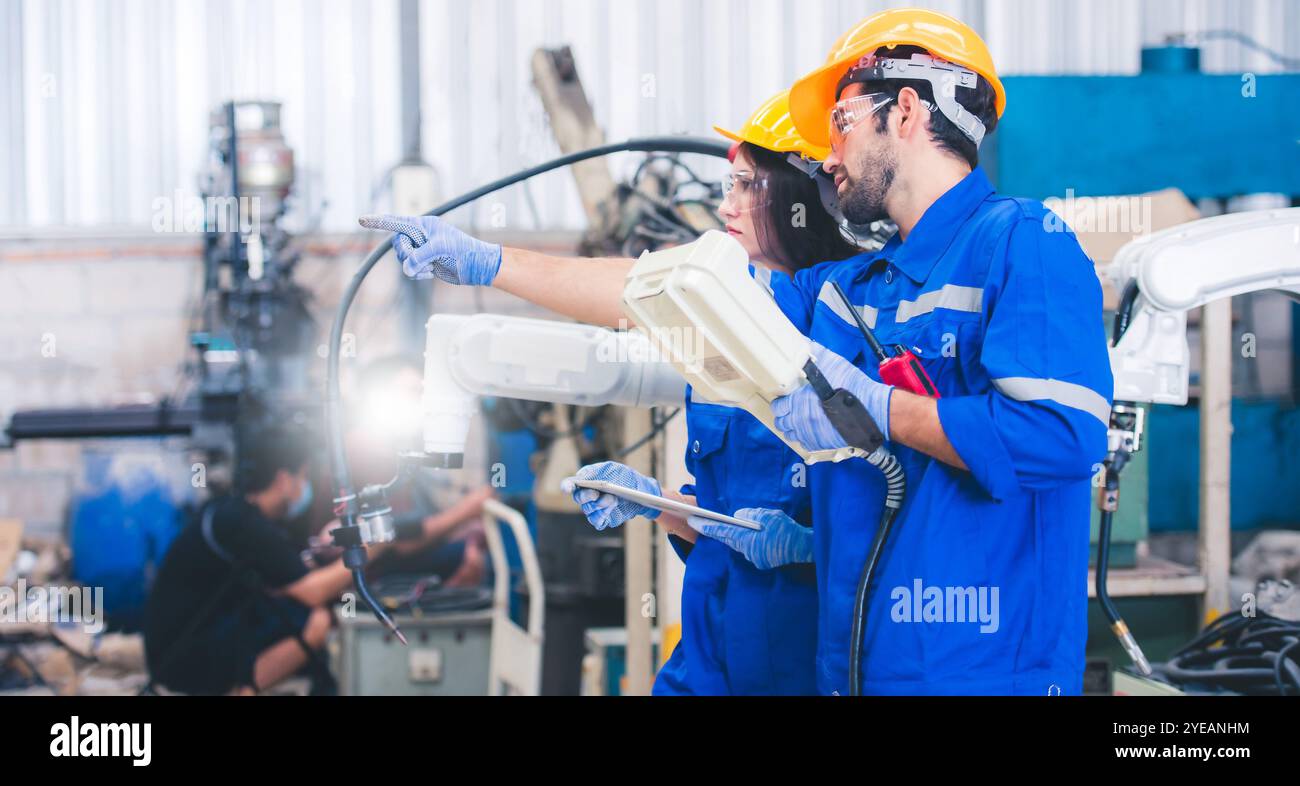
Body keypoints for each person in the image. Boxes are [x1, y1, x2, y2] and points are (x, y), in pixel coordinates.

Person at [362, 91, 860, 694]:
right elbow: (728, 520)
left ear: (806, 195)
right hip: (710, 645)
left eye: (746, 184)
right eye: (727, 181)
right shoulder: (729, 308)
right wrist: (663, 505)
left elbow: (896, 513)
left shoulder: (848, 313)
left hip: (797, 655)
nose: (725, 202)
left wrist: (808, 547)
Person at [737, 8, 1113, 695]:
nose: (826, 157)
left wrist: (882, 410)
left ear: (904, 111)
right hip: (857, 675)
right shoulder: (851, 289)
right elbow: (698, 298)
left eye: (841, 123)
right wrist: (490, 265)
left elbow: (1063, 438)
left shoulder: (1023, 241)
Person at [145, 426, 364, 695]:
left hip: (174, 651)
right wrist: (368, 548)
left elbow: (286, 577)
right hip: (182, 664)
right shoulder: (244, 524)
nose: (304, 487)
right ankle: (241, 691)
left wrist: (323, 551)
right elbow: (313, 591)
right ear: (284, 480)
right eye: (303, 477)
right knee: (315, 619)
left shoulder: (234, 511)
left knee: (289, 611)